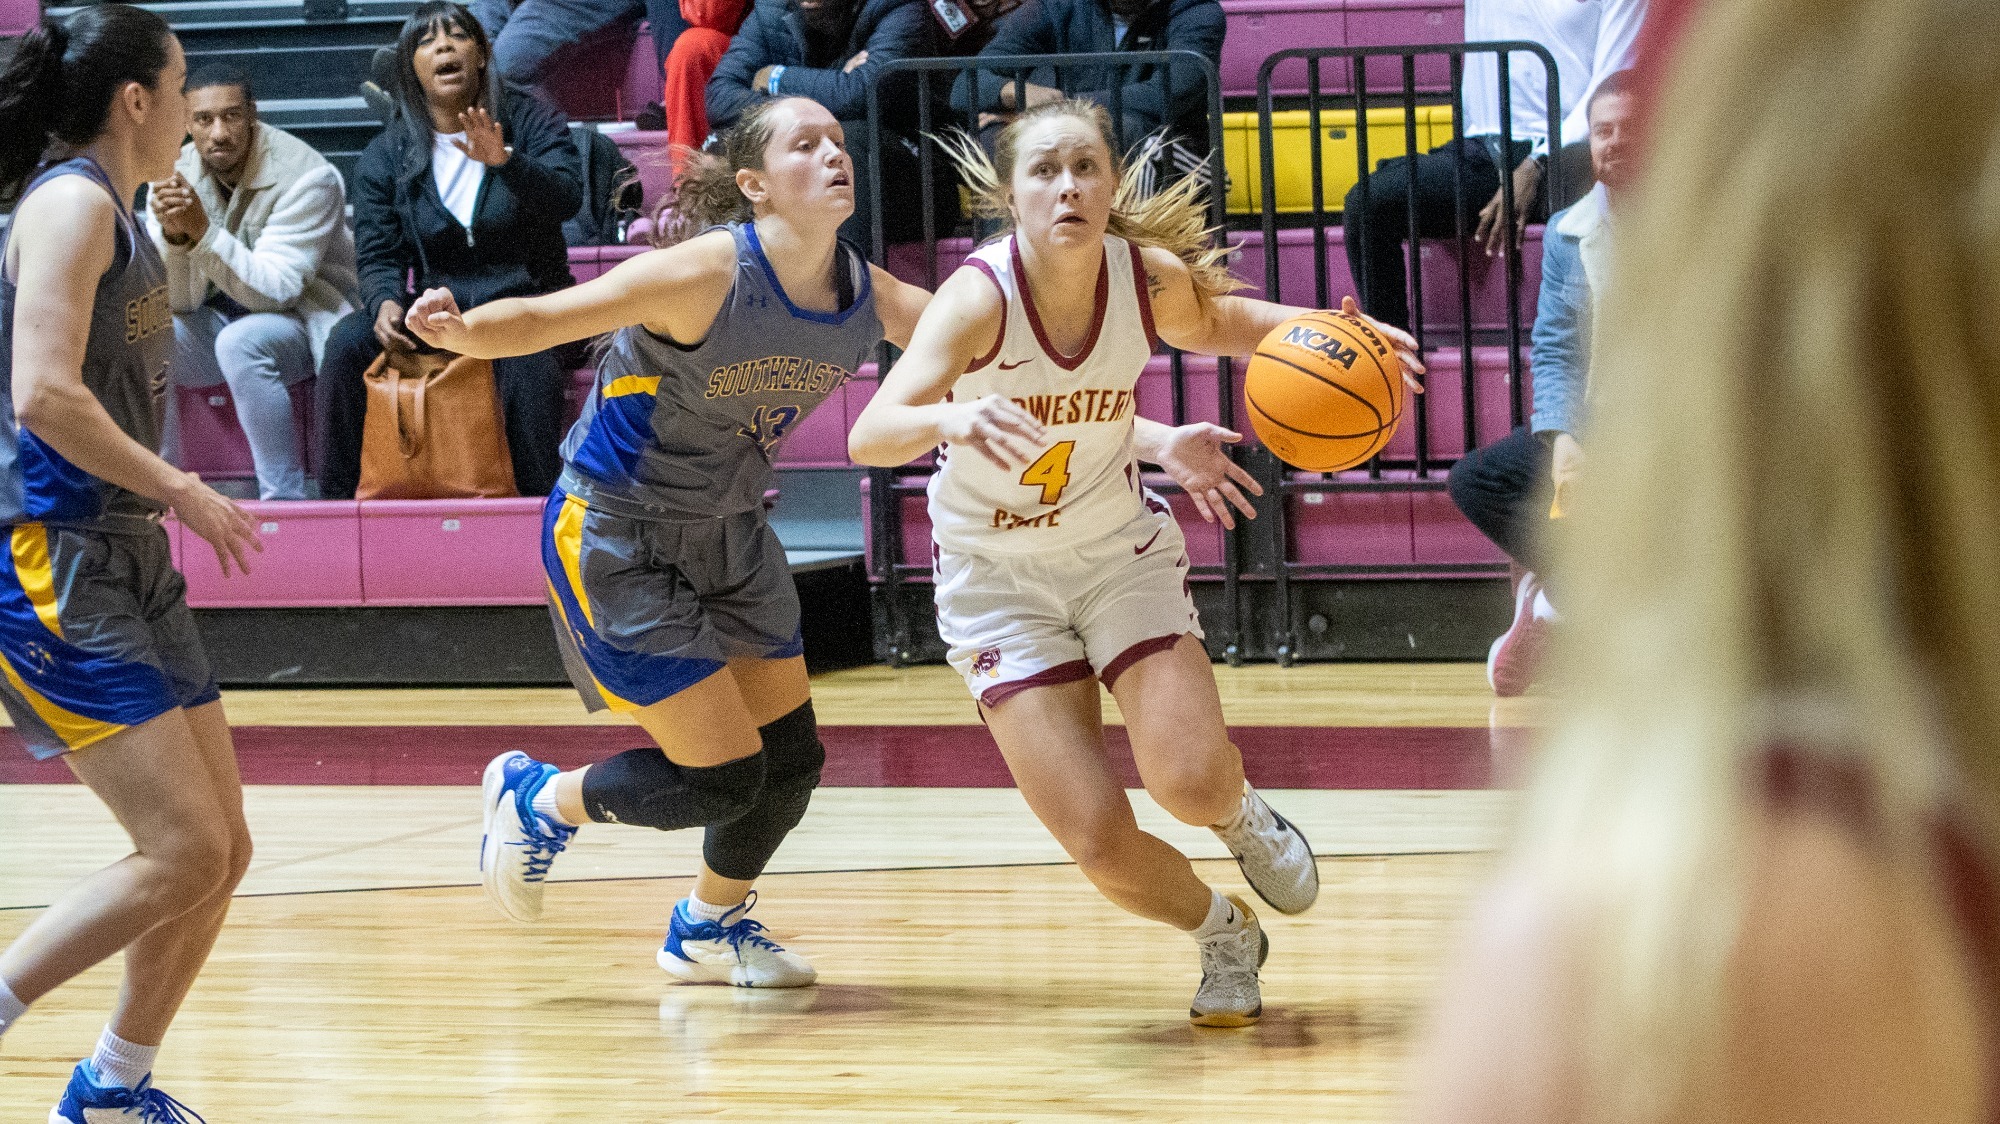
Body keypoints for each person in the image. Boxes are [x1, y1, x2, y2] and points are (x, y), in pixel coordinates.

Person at [1409, 0, 2000, 1118]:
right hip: (1639, 463)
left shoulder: (1654, 940)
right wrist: (1573, 439)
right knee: (1496, 472)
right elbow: (1550, 350)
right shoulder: (1582, 229)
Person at [846, 99, 1423, 1025]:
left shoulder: (1144, 277)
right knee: (1100, 843)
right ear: (1008, 195)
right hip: (996, 586)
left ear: (1112, 186)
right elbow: (872, 434)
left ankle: (1239, 817)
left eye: (1085, 167)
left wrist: (1332, 333)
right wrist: (952, 416)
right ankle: (1223, 932)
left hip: (1116, 553)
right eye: (1043, 170)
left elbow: (1222, 322)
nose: (1067, 185)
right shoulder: (977, 299)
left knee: (1188, 782)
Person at [403, 95, 931, 986]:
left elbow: (985, 327)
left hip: (732, 531)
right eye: (806, 145)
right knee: (723, 776)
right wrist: (461, 332)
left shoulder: (864, 292)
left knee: (791, 762)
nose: (834, 155)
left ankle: (707, 927)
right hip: (619, 531)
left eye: (838, 143)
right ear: (756, 185)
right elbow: (552, 316)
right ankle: (540, 799)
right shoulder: (707, 273)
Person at [0, 6, 264, 1121]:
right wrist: (182, 485)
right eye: (181, 79)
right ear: (136, 101)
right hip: (54, 553)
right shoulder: (67, 204)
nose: (194, 101)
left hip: (120, 546)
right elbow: (42, 393)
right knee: (182, 845)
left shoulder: (126, 212)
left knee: (222, 848)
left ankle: (112, 1088)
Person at [318, 1, 581, 501]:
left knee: (527, 361)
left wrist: (506, 162)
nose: (443, 46)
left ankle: (538, 507)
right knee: (346, 342)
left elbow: (566, 199)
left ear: (481, 54)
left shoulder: (529, 119)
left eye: (457, 36)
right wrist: (385, 302)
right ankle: (335, 504)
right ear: (411, 69)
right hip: (443, 310)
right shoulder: (387, 153)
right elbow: (378, 252)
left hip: (530, 305)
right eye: (425, 41)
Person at [1446, 70, 1633, 698]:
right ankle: (1568, 597)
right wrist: (1562, 436)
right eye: (1602, 130)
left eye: (1627, 128)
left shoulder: (1697, 220)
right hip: (1596, 419)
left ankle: (1565, 608)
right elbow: (1552, 346)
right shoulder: (1566, 230)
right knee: (1477, 479)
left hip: (1678, 422)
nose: (1613, 142)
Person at [1342, 0, 1646, 333]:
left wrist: (1539, 161)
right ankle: (1389, 361)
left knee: (1622, 197)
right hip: (1481, 152)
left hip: (1572, 153)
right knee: (1370, 202)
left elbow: (1612, 87)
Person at [143, 64, 358, 501]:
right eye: (204, 119)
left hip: (304, 318)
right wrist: (173, 238)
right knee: (151, 331)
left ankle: (284, 499)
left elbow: (276, 293)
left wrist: (202, 234)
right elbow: (180, 302)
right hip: (219, 319)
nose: (219, 132)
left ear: (253, 115)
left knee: (242, 341)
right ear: (186, 122)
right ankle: (161, 492)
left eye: (232, 116)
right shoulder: (170, 176)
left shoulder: (308, 176)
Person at [705, 0, 953, 248]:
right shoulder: (771, 9)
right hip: (808, 169)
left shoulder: (897, 6)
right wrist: (836, 82)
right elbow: (721, 98)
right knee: (719, 145)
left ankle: (848, 281)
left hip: (908, 166)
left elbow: (862, 93)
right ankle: (729, 276)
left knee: (846, 144)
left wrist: (776, 77)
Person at [951, 0, 1222, 161]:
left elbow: (1171, 93)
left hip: (1172, 152)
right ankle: (1012, 251)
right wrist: (1012, 91)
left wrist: (1051, 111)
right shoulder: (1058, 6)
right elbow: (965, 85)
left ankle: (1127, 254)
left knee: (1119, 128)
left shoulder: (1196, 11)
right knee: (1001, 137)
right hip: (1076, 149)